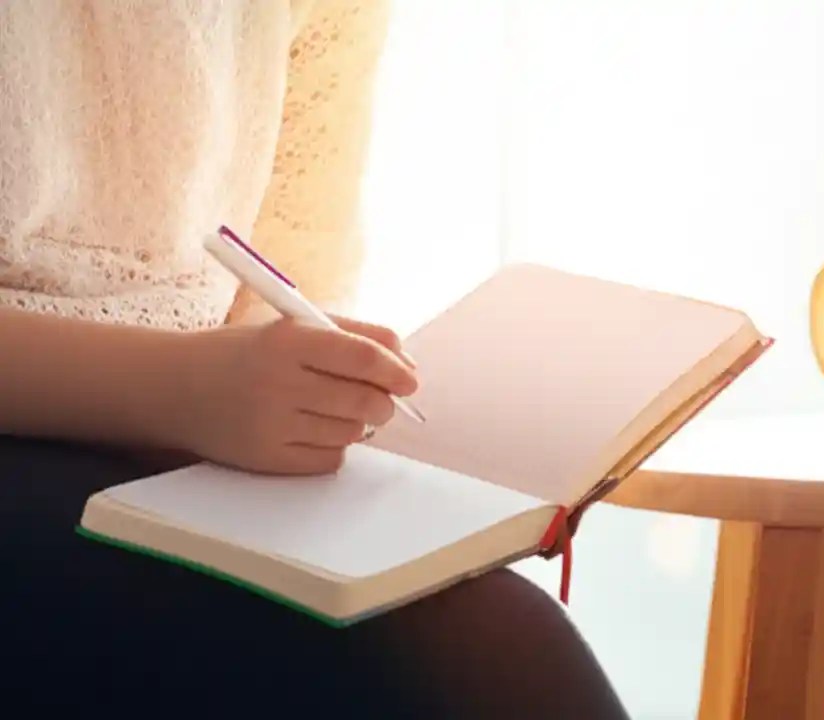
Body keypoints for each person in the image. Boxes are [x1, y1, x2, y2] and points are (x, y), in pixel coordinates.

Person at [0, 1, 630, 717]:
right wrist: (179, 388)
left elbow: (297, 277)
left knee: (496, 650)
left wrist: (307, 393)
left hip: (189, 454)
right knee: (479, 663)